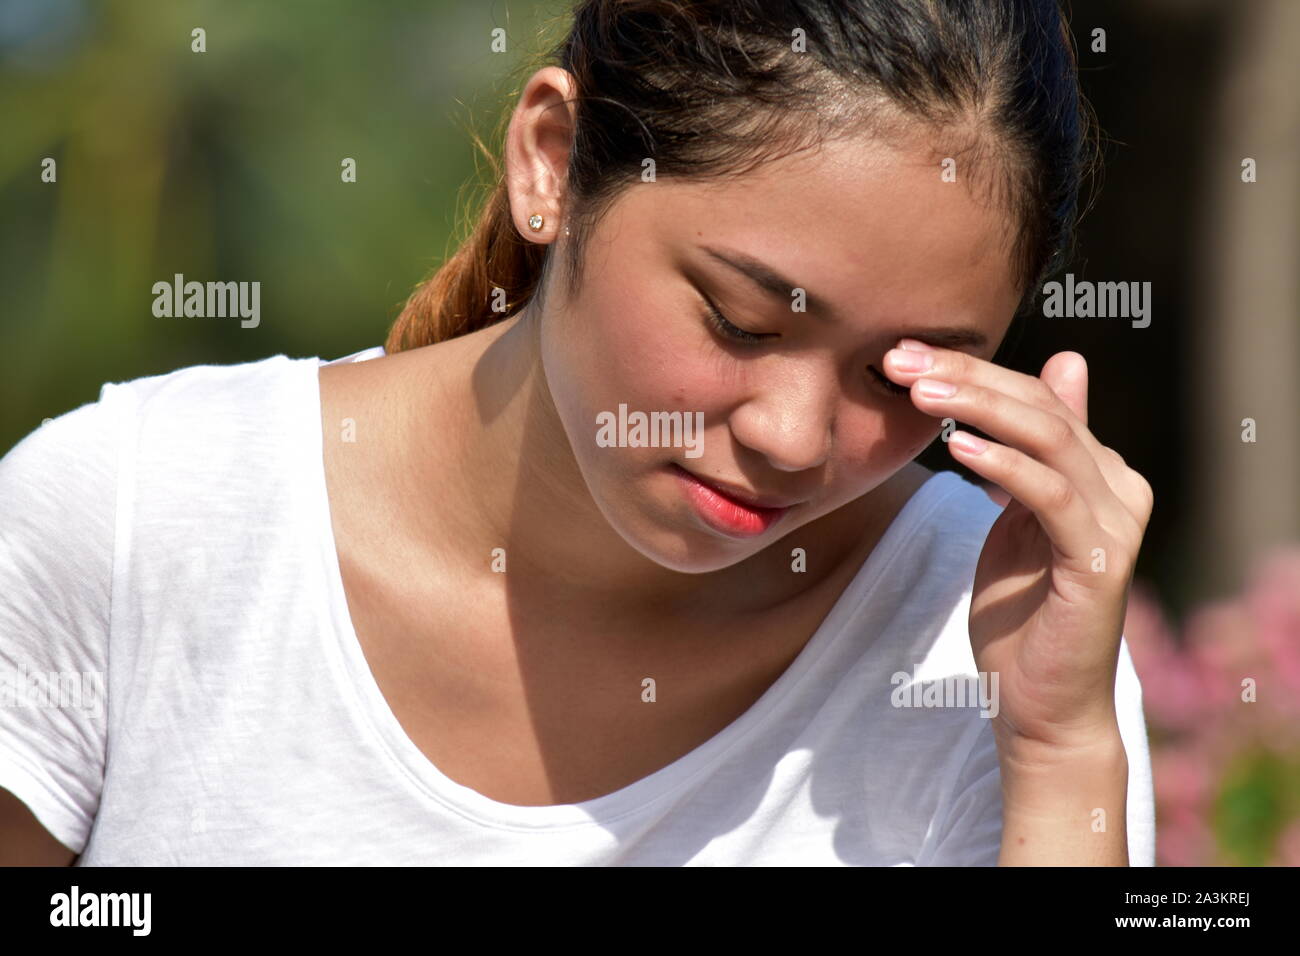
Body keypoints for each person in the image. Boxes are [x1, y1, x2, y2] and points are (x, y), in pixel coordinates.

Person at [0, 0, 1155, 865]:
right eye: (740, 318)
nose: (799, 439)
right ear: (550, 164)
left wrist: (1058, 757)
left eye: (903, 375)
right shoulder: (138, 519)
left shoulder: (994, 642)